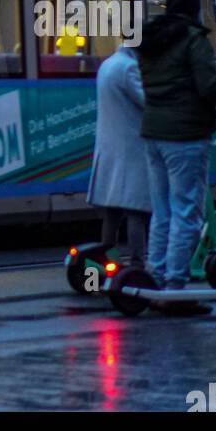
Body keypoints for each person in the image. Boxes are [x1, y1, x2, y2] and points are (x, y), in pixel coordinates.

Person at [136, 0, 216, 313]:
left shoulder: (149, 41)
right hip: (186, 136)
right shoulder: (193, 40)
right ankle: (175, 286)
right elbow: (207, 86)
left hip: (153, 133)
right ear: (195, 11)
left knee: (161, 213)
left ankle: (156, 276)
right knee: (187, 212)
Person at [87, 42, 150, 267]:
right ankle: (137, 263)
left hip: (111, 147)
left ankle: (106, 257)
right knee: (136, 209)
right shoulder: (128, 68)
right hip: (131, 148)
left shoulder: (108, 64)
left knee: (112, 210)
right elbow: (147, 102)